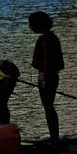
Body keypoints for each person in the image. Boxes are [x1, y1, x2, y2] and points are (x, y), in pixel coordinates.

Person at [29, 12, 64, 146]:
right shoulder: (53, 37)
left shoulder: (44, 39)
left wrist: (43, 76)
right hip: (52, 76)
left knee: (48, 107)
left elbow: (48, 60)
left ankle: (54, 138)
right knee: (49, 106)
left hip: (47, 77)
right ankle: (54, 137)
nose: (30, 27)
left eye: (31, 24)